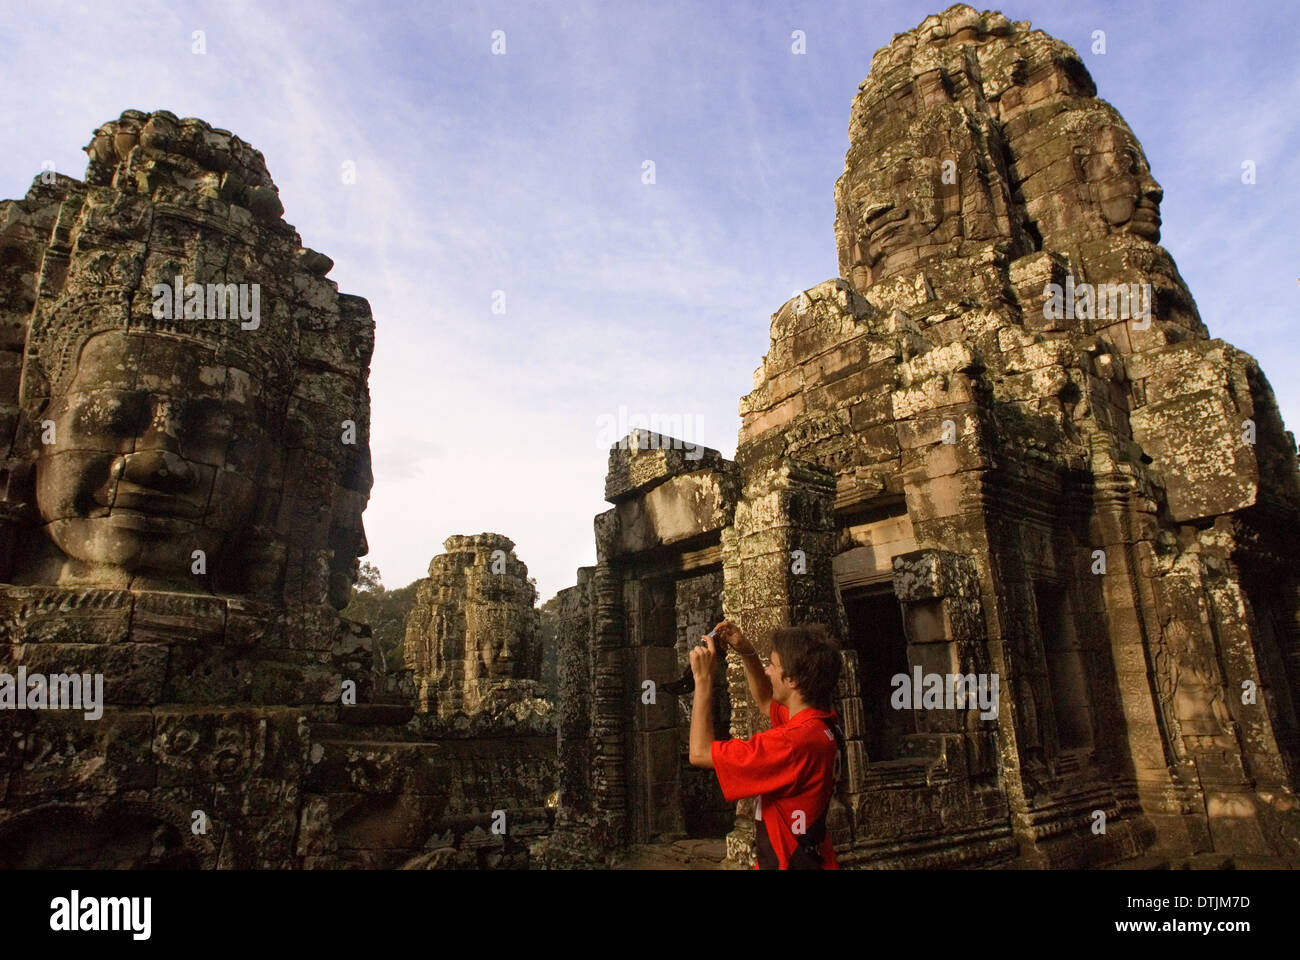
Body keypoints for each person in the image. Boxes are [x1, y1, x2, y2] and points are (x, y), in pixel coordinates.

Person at [687, 620, 843, 870]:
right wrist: (747, 653)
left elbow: (699, 753)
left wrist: (703, 680)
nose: (768, 671)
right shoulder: (822, 725)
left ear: (792, 680)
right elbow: (765, 700)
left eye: (772, 665)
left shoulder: (791, 743)